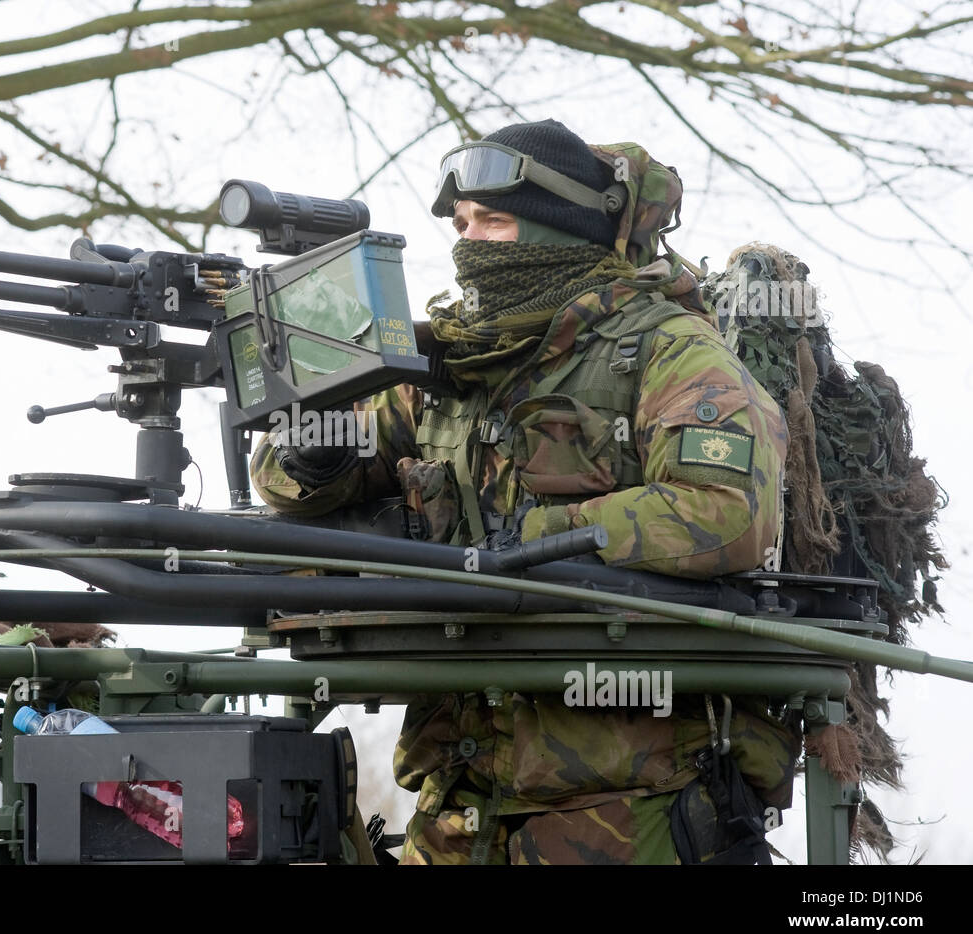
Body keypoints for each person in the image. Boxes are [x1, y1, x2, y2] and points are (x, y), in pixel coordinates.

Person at [251, 120, 801, 864]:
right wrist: (309, 447)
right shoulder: (449, 365)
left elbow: (726, 511)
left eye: (493, 222)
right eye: (462, 223)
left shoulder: (664, 349)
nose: (469, 242)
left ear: (557, 229)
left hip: (628, 808)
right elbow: (297, 488)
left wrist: (528, 542)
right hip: (460, 803)